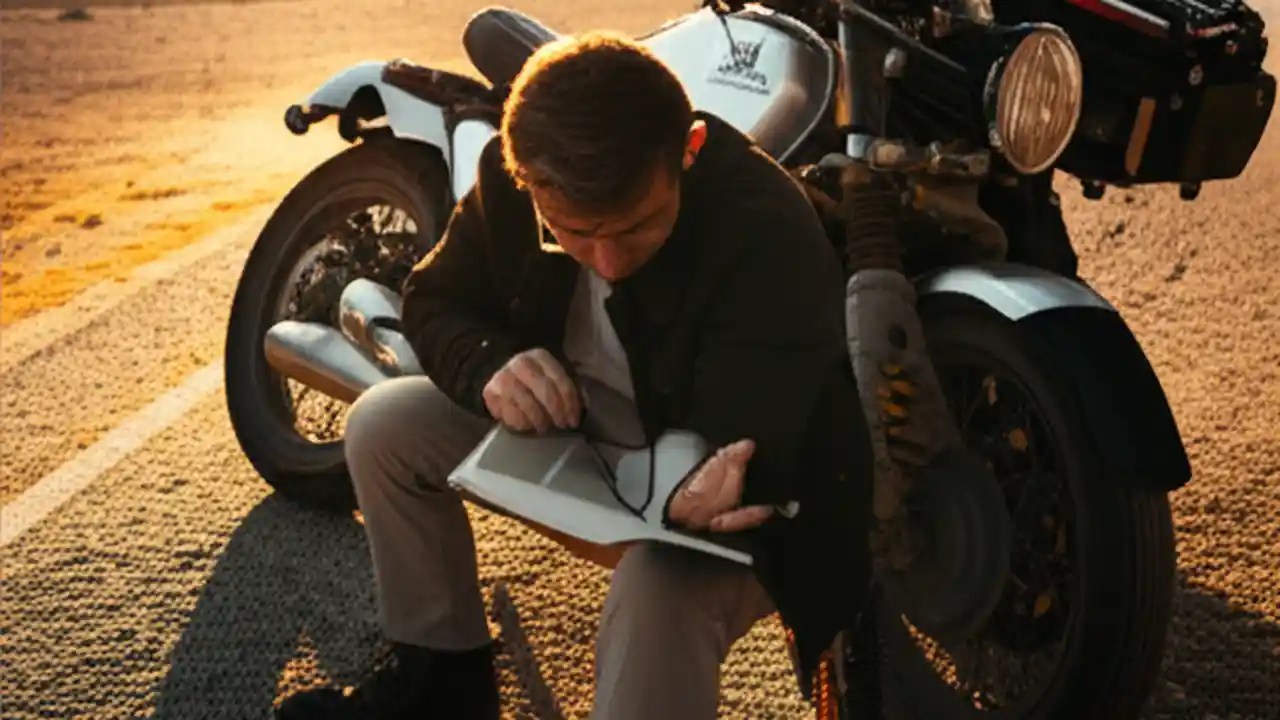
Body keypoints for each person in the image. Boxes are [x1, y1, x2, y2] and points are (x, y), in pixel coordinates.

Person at [273, 28, 873, 720]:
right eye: (573, 232)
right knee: (385, 424)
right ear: (525, 175)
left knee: (656, 585)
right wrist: (488, 365)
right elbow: (434, 301)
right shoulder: (512, 174)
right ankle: (440, 687)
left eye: (638, 226)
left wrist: (696, 488)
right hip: (590, 444)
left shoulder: (767, 228)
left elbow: (771, 427)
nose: (607, 261)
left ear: (690, 150)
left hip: (750, 496)